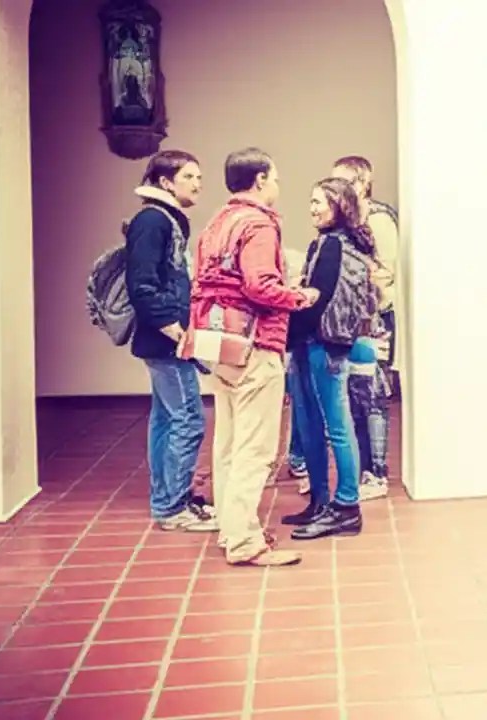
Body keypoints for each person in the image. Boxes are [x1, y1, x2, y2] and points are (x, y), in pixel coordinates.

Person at [189, 147, 319, 567]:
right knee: (255, 448)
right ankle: (244, 542)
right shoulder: (258, 224)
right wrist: (300, 295)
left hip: (219, 347)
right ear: (260, 179)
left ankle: (232, 530)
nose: (278, 186)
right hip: (255, 344)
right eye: (276, 178)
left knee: (227, 443)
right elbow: (261, 285)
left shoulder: (216, 223)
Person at [124, 150, 216, 532]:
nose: (198, 183)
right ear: (165, 182)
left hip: (164, 339)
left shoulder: (165, 220)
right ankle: (173, 507)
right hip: (167, 340)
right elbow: (141, 284)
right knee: (188, 419)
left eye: (199, 176)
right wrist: (173, 327)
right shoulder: (153, 221)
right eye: (189, 176)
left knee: (166, 419)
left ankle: (167, 501)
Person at [280, 177, 376, 540]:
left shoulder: (336, 246)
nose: (312, 208)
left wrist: (288, 316)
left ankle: (346, 507)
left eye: (319, 201)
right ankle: (321, 503)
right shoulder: (323, 243)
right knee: (309, 426)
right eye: (311, 201)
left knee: (336, 425)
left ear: (340, 204)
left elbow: (316, 299)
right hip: (310, 344)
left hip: (325, 346)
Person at [331, 156, 397, 499]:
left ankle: (377, 474)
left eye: (343, 182)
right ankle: (361, 472)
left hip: (375, 320)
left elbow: (386, 271)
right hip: (351, 322)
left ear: (363, 182)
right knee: (354, 396)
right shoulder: (347, 222)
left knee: (372, 397)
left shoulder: (379, 220)